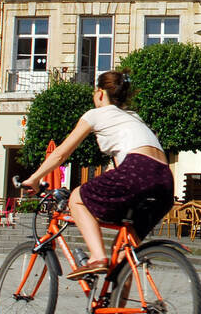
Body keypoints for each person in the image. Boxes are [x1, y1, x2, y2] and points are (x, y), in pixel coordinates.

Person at [23, 70, 175, 278]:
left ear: (101, 93)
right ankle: (114, 309)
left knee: (77, 198)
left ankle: (96, 257)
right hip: (165, 180)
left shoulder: (95, 114)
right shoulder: (134, 118)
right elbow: (116, 167)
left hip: (137, 169)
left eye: (95, 92)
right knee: (123, 255)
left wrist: (34, 179)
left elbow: (61, 153)